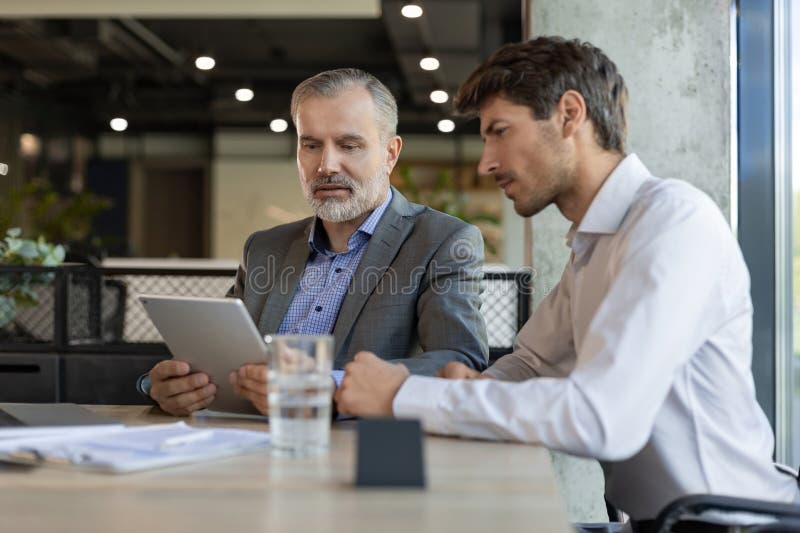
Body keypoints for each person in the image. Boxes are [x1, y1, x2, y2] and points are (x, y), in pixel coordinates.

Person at [334, 37, 800, 525]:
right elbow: (533, 363)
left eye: (500, 132)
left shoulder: (673, 222)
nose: (486, 162)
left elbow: (603, 418)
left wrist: (406, 395)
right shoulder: (596, 241)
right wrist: (477, 387)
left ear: (569, 115)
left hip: (734, 523)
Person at [141, 68, 488, 416]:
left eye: (349, 145)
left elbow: (459, 361)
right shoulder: (264, 248)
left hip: (365, 443)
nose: (326, 165)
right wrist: (171, 385)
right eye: (311, 145)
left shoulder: (440, 241)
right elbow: (215, 355)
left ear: (390, 153)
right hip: (249, 438)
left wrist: (329, 388)